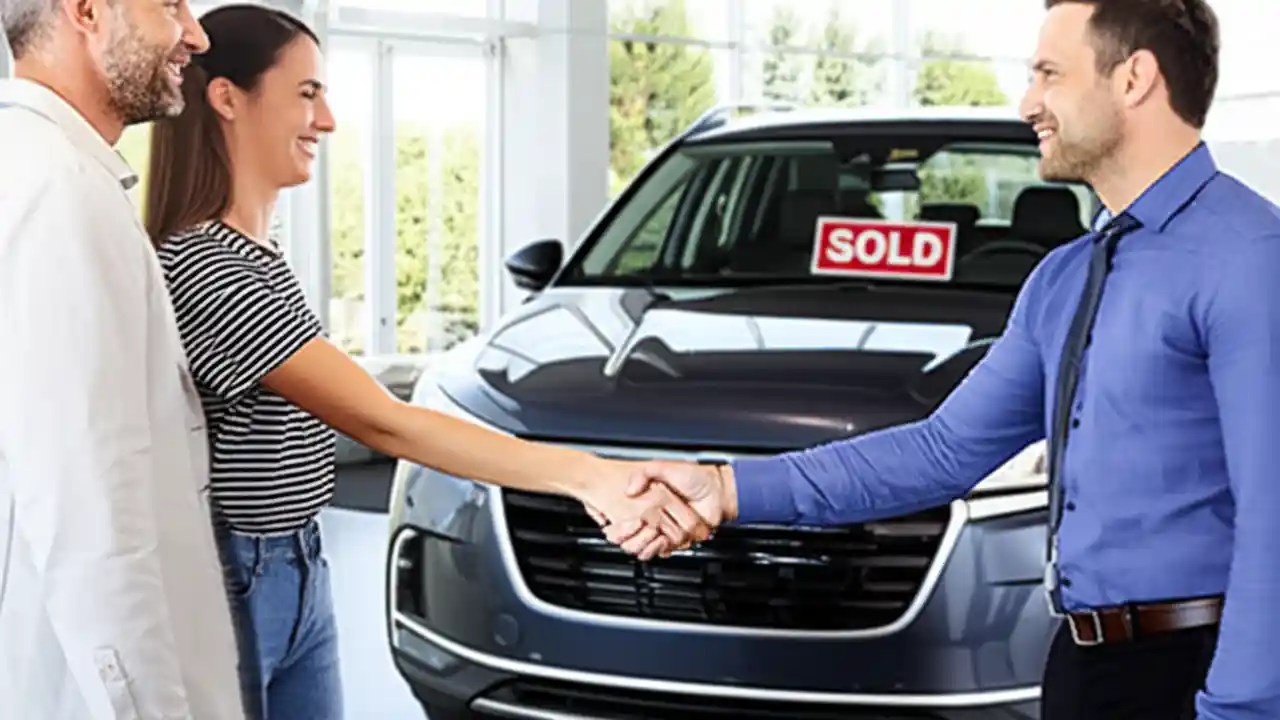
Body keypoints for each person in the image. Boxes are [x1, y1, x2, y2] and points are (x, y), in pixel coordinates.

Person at [616, 1, 1280, 718]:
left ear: (1134, 78)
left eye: (1049, 74)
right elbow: (941, 449)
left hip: (1201, 672)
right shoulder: (1064, 280)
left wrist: (1240, 707)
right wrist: (726, 488)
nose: (1030, 103)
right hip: (1085, 666)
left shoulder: (1249, 259)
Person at [142, 5, 704, 718]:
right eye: (307, 94)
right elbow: (388, 424)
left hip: (294, 561)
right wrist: (591, 477)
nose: (329, 121)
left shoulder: (256, 254)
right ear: (226, 99)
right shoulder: (209, 267)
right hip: (245, 575)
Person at [0, 0, 252, 718]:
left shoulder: (43, 170)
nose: (195, 36)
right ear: (87, 11)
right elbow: (90, 515)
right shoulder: (60, 193)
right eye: (170, 5)